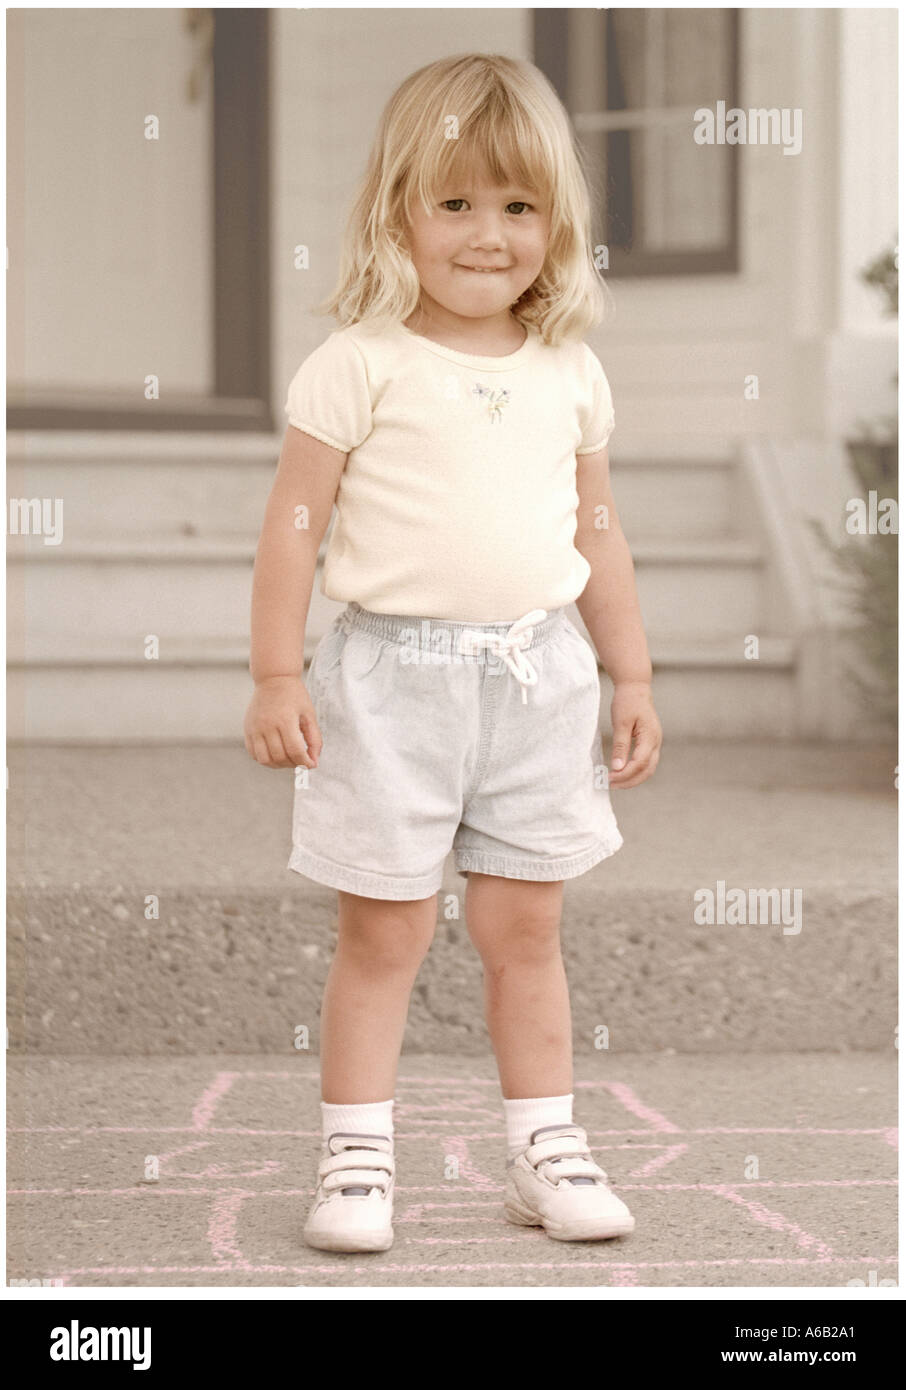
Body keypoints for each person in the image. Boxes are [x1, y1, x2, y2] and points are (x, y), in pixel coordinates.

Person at [244, 53, 662, 1254]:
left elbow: (599, 535)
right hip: (388, 686)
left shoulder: (570, 374)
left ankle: (545, 1145)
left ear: (557, 224)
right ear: (399, 215)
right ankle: (358, 1156)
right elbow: (294, 526)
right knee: (385, 932)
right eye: (458, 203)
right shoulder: (359, 363)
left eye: (520, 206)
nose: (491, 234)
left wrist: (631, 673)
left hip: (539, 684)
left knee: (525, 929)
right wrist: (278, 671)